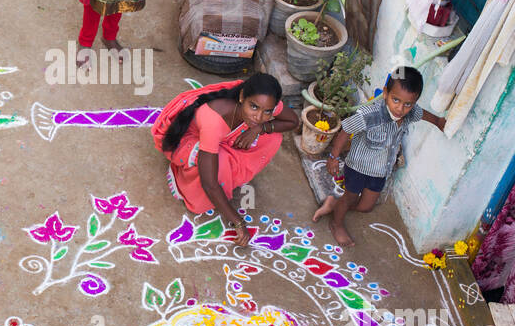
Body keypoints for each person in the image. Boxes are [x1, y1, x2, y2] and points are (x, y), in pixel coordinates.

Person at [157, 74, 299, 246]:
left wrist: (261, 128)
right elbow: (209, 183)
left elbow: (292, 121)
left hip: (223, 138)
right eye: (253, 107)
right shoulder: (214, 121)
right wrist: (237, 222)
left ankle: (230, 171)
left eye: (267, 111)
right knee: (218, 167)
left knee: (272, 137)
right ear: (242, 97)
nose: (259, 116)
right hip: (188, 143)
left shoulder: (262, 101)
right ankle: (182, 177)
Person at [313, 66, 446, 246]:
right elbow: (345, 130)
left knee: (366, 207)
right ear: (385, 93)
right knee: (351, 197)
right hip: (358, 168)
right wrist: (333, 157)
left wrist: (438, 121)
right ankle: (336, 224)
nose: (400, 108)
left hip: (380, 171)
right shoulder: (370, 114)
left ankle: (333, 204)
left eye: (408, 104)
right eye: (396, 100)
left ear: (414, 102)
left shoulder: (410, 113)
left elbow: (422, 114)